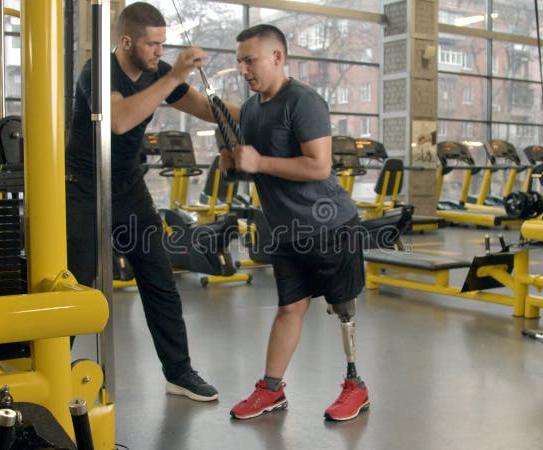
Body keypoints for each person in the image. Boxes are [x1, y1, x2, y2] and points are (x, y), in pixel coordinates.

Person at [66, 2, 237, 402]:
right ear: (126, 42)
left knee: (159, 276)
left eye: (163, 44)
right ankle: (50, 368)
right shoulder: (99, 72)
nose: (159, 51)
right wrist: (174, 74)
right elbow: (121, 119)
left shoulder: (158, 73)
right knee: (75, 281)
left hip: (126, 183)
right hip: (82, 183)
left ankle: (178, 372)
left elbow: (204, 107)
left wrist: (259, 114)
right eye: (152, 44)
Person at [221, 24, 370, 422]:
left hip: (331, 227)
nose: (243, 70)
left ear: (277, 57)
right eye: (239, 62)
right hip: (288, 231)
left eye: (249, 60)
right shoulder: (252, 109)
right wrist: (234, 165)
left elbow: (319, 166)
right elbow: (258, 168)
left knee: (343, 307)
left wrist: (257, 162)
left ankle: (356, 386)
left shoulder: (303, 102)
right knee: (289, 308)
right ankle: (271, 389)